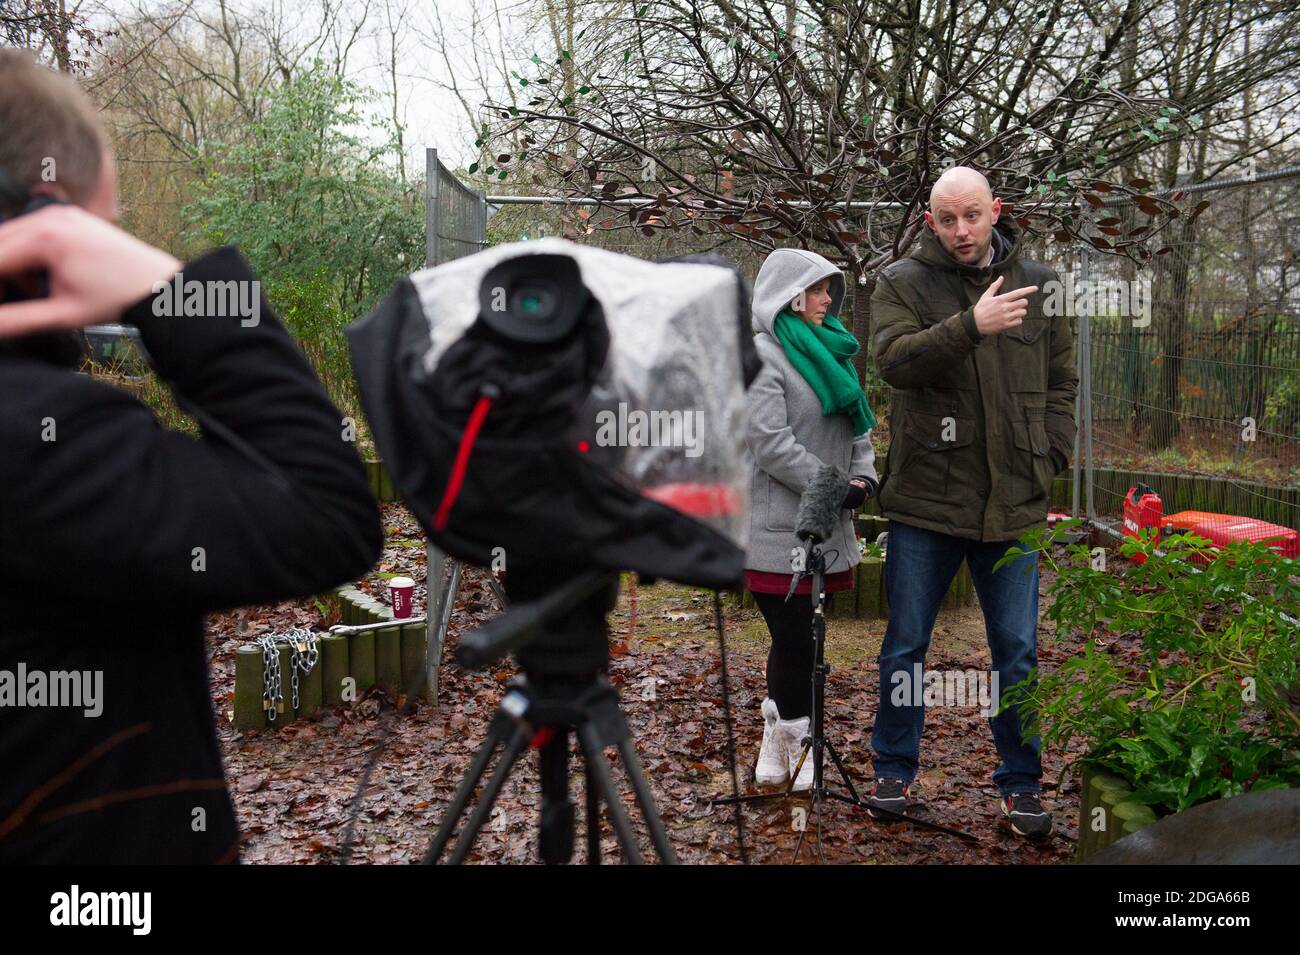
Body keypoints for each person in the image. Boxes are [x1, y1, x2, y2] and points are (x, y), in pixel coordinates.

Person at [0, 49, 383, 863]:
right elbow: (327, 511)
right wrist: (178, 289)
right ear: (45, 221)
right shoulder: (45, 442)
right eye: (103, 231)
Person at [866, 165, 1077, 838]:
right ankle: (893, 769)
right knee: (905, 645)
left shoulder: (1040, 286)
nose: (962, 230)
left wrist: (1053, 452)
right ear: (931, 222)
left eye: (973, 215)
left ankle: (1021, 783)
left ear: (996, 211)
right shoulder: (901, 281)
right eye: (948, 219)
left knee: (1016, 650)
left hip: (1014, 502)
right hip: (928, 500)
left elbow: (1063, 381)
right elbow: (894, 361)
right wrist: (970, 324)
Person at [744, 248, 879, 791]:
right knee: (793, 636)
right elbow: (770, 444)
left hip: (827, 522)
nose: (829, 299)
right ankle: (794, 739)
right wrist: (833, 484)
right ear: (792, 296)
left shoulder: (835, 351)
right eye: (820, 289)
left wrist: (865, 478)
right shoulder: (763, 356)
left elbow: (858, 426)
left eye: (829, 289)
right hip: (777, 526)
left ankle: (778, 729)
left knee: (811, 640)